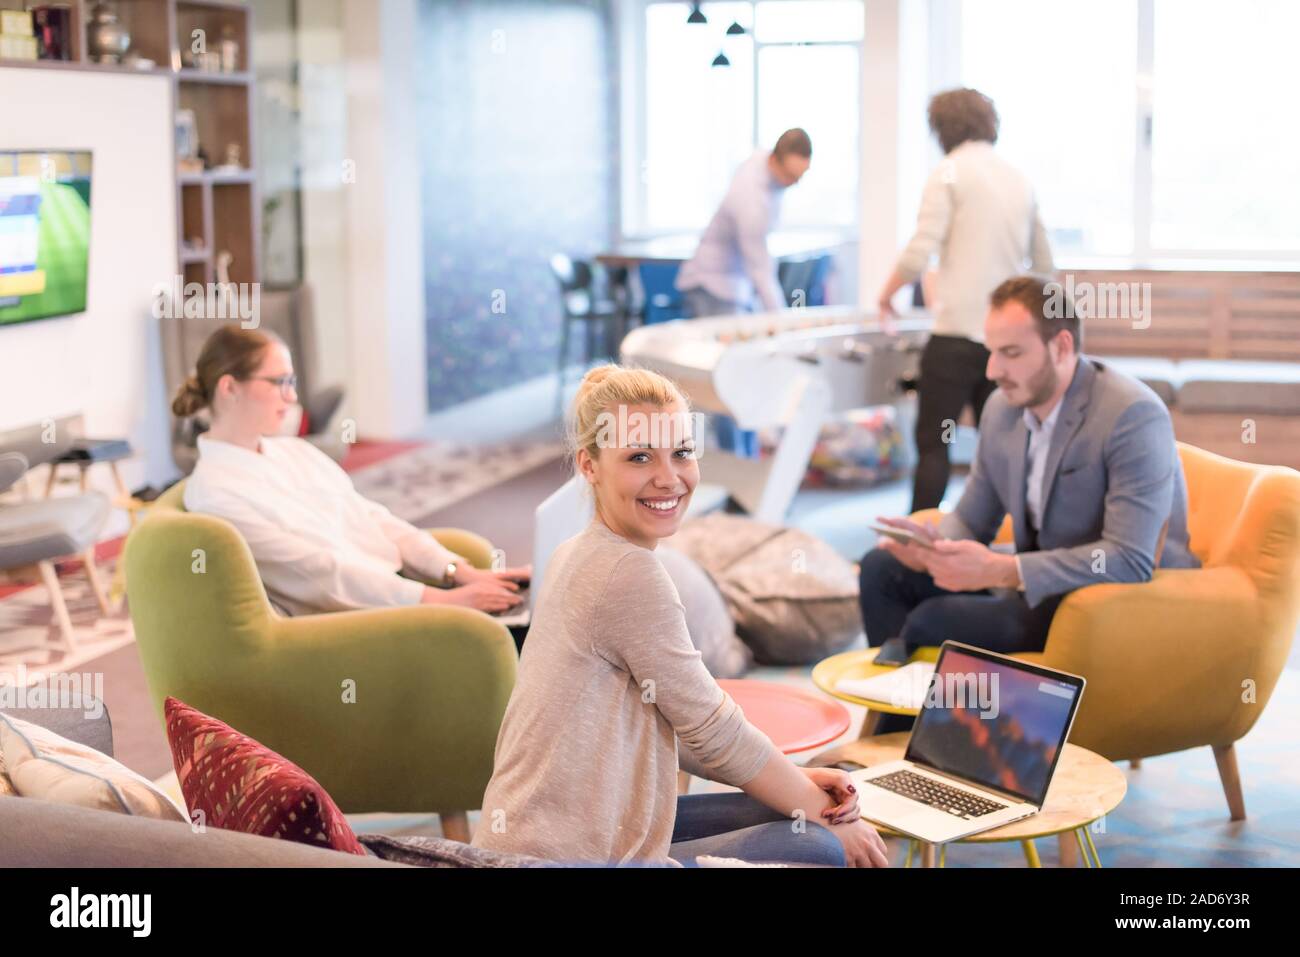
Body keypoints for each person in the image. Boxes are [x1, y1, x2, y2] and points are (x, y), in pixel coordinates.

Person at [472, 365, 889, 867]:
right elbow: (713, 731)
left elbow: (681, 719)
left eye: (682, 453)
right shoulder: (625, 572)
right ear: (590, 465)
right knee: (817, 845)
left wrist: (799, 787)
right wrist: (817, 809)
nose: (668, 477)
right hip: (562, 855)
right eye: (640, 457)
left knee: (792, 814)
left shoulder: (575, 550)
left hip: (567, 829)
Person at [859, 276, 1199, 731]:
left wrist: (1003, 570)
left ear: (1060, 347)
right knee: (882, 572)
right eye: (991, 350)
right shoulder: (1003, 408)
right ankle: (907, 742)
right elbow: (973, 518)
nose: (991, 371)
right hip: (1032, 581)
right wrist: (930, 546)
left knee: (935, 619)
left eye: (1011, 354)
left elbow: (1130, 558)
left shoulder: (1132, 415)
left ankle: (936, 745)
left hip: (1103, 599)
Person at [174, 325, 528, 617]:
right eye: (279, 382)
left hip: (396, 593)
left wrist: (456, 572)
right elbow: (320, 573)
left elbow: (374, 518)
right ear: (230, 387)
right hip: (353, 623)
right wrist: (444, 600)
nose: (292, 398)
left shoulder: (295, 452)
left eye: (292, 383)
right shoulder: (216, 493)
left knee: (531, 616)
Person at [876, 89, 1055, 512]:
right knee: (1007, 450)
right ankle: (1011, 544)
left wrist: (885, 297)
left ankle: (916, 545)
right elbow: (1046, 266)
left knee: (935, 445)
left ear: (942, 127)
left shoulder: (948, 173)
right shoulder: (1019, 179)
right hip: (1006, 343)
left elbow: (921, 250)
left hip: (955, 338)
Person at [675, 127, 812, 320]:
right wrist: (783, 320)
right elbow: (759, 267)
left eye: (799, 177)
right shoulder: (750, 196)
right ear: (774, 160)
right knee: (725, 350)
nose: (793, 183)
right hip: (713, 283)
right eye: (790, 176)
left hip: (735, 282)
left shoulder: (767, 172)